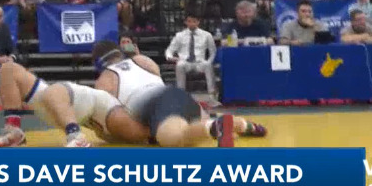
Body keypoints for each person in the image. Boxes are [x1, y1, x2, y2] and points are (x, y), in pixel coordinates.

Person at [92, 40, 267, 147]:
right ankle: (244, 125)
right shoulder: (141, 60)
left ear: (98, 64)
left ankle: (216, 127)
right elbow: (157, 79)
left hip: (155, 106)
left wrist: (107, 135)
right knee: (196, 123)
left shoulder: (104, 80)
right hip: (177, 95)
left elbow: (117, 119)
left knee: (176, 138)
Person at [0, 61, 145, 147]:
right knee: (7, 68)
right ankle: (14, 131)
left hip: (96, 108)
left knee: (140, 134)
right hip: (71, 106)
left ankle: (76, 136)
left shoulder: (116, 86)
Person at [165, 12, 217, 96]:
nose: (191, 24)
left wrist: (209, 61)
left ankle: (212, 92)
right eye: (189, 21)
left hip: (200, 62)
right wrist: (170, 57)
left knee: (208, 65)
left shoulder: (207, 35)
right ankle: (181, 93)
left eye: (194, 21)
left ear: (198, 22)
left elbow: (213, 51)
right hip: (185, 61)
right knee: (179, 65)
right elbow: (169, 50)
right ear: (185, 22)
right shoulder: (179, 35)